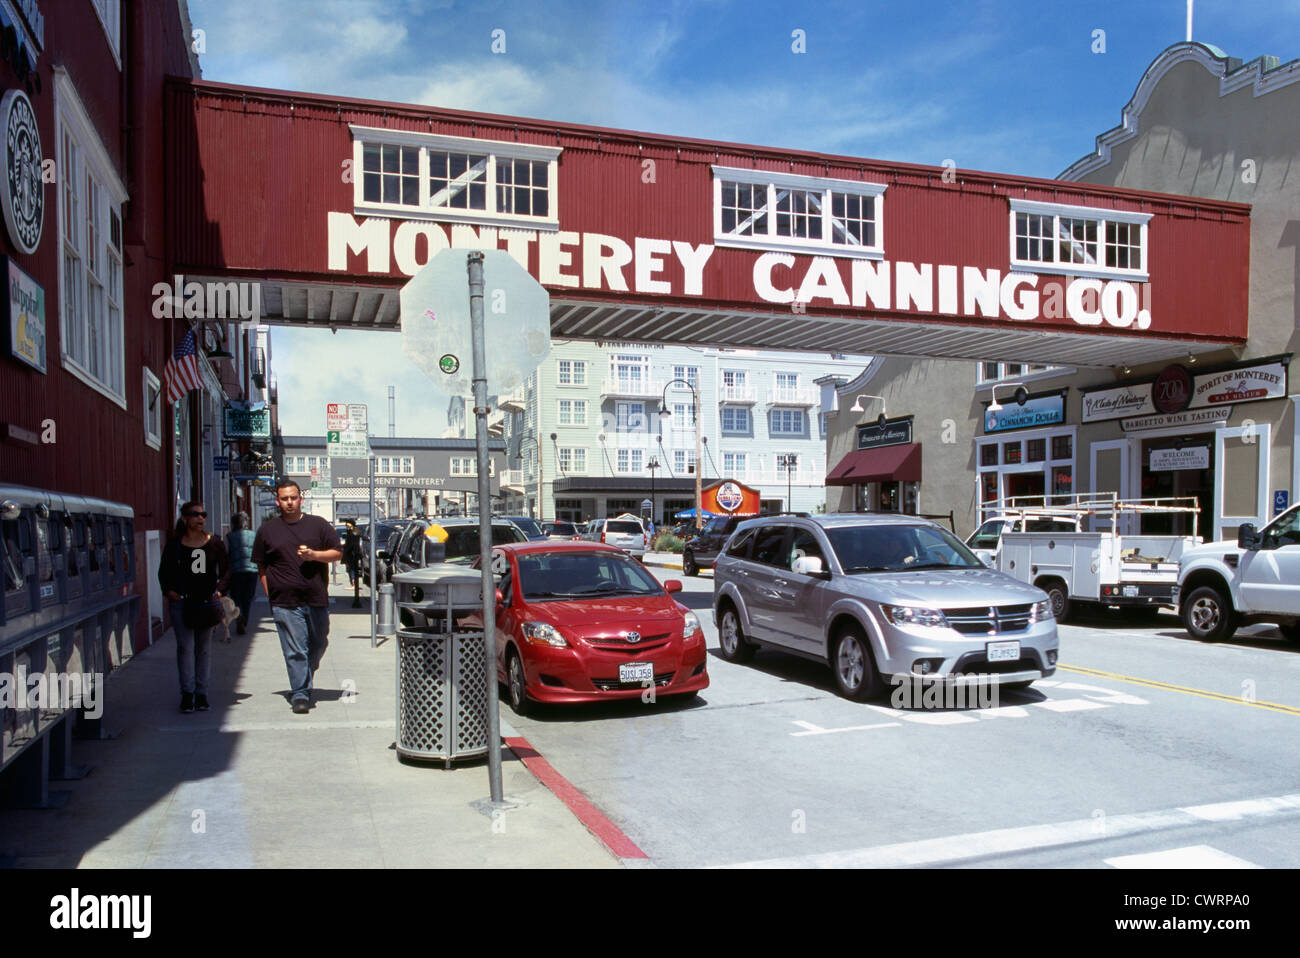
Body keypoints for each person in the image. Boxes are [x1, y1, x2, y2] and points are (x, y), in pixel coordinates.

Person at [252, 479, 342, 714]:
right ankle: (300, 693)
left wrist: (314, 555)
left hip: (315, 597)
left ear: (301, 499)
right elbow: (261, 566)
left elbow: (336, 553)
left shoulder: (319, 525)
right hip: (284, 601)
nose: (289, 502)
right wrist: (270, 593)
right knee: (295, 649)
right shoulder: (267, 530)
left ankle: (304, 674)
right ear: (277, 501)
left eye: (293, 498)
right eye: (284, 498)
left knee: (319, 642)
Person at [158, 501, 229, 713]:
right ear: (184, 518)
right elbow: (164, 572)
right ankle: (187, 694)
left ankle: (202, 693)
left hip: (206, 603)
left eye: (203, 514)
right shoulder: (175, 544)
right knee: (185, 648)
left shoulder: (214, 542)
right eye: (195, 514)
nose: (200, 518)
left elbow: (226, 570)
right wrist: (169, 591)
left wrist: (220, 590)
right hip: (183, 604)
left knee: (204, 649)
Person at [226, 513, 259, 635]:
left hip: (236, 572)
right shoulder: (254, 535)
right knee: (248, 598)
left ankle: (239, 617)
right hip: (252, 571)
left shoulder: (230, 536)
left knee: (237, 597)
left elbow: (227, 555)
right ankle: (244, 621)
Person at [341, 519, 363, 608]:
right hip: (350, 554)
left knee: (353, 569)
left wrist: (352, 551)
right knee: (350, 569)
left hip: (353, 554)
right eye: (346, 524)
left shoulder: (355, 531)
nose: (347, 525)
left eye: (348, 524)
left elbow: (353, 543)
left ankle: (354, 586)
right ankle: (353, 585)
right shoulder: (350, 531)